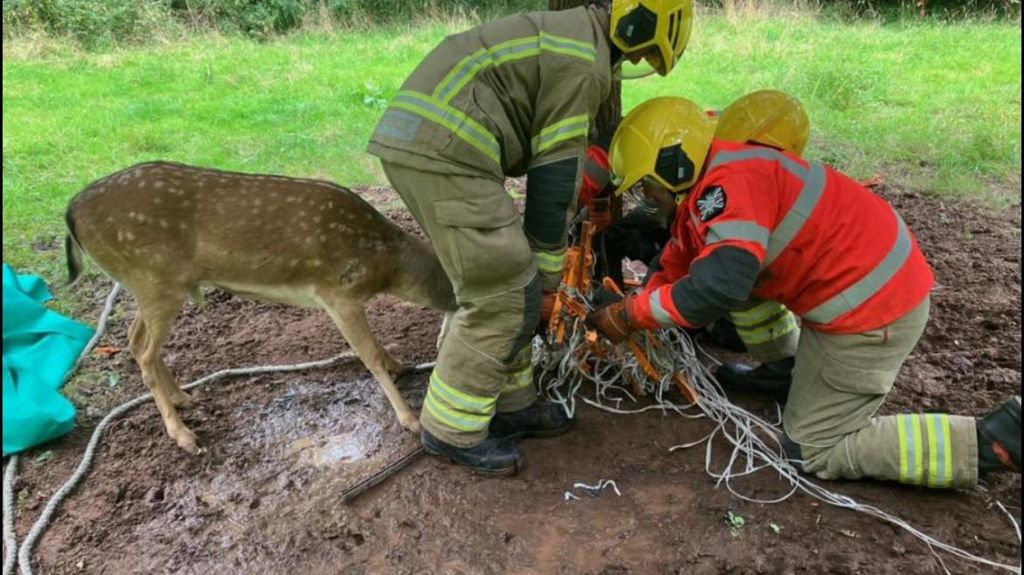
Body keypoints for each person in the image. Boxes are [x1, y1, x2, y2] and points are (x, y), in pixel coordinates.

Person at [587, 96, 1021, 487]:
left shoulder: (727, 187)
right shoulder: (723, 172)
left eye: (647, 188)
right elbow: (679, 262)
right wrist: (638, 299)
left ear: (673, 167)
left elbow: (717, 287)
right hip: (869, 283)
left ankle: (987, 442)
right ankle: (787, 369)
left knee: (812, 450)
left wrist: (630, 316)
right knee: (734, 277)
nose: (647, 199)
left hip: (872, 312)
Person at [367, 0, 694, 475]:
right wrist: (548, 279)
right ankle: (450, 429)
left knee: (511, 283)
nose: (641, 65)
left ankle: (512, 403)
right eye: (646, 55)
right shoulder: (583, 63)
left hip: (434, 140)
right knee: (500, 291)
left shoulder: (579, 38)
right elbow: (556, 173)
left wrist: (537, 282)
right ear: (639, 28)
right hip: (445, 151)